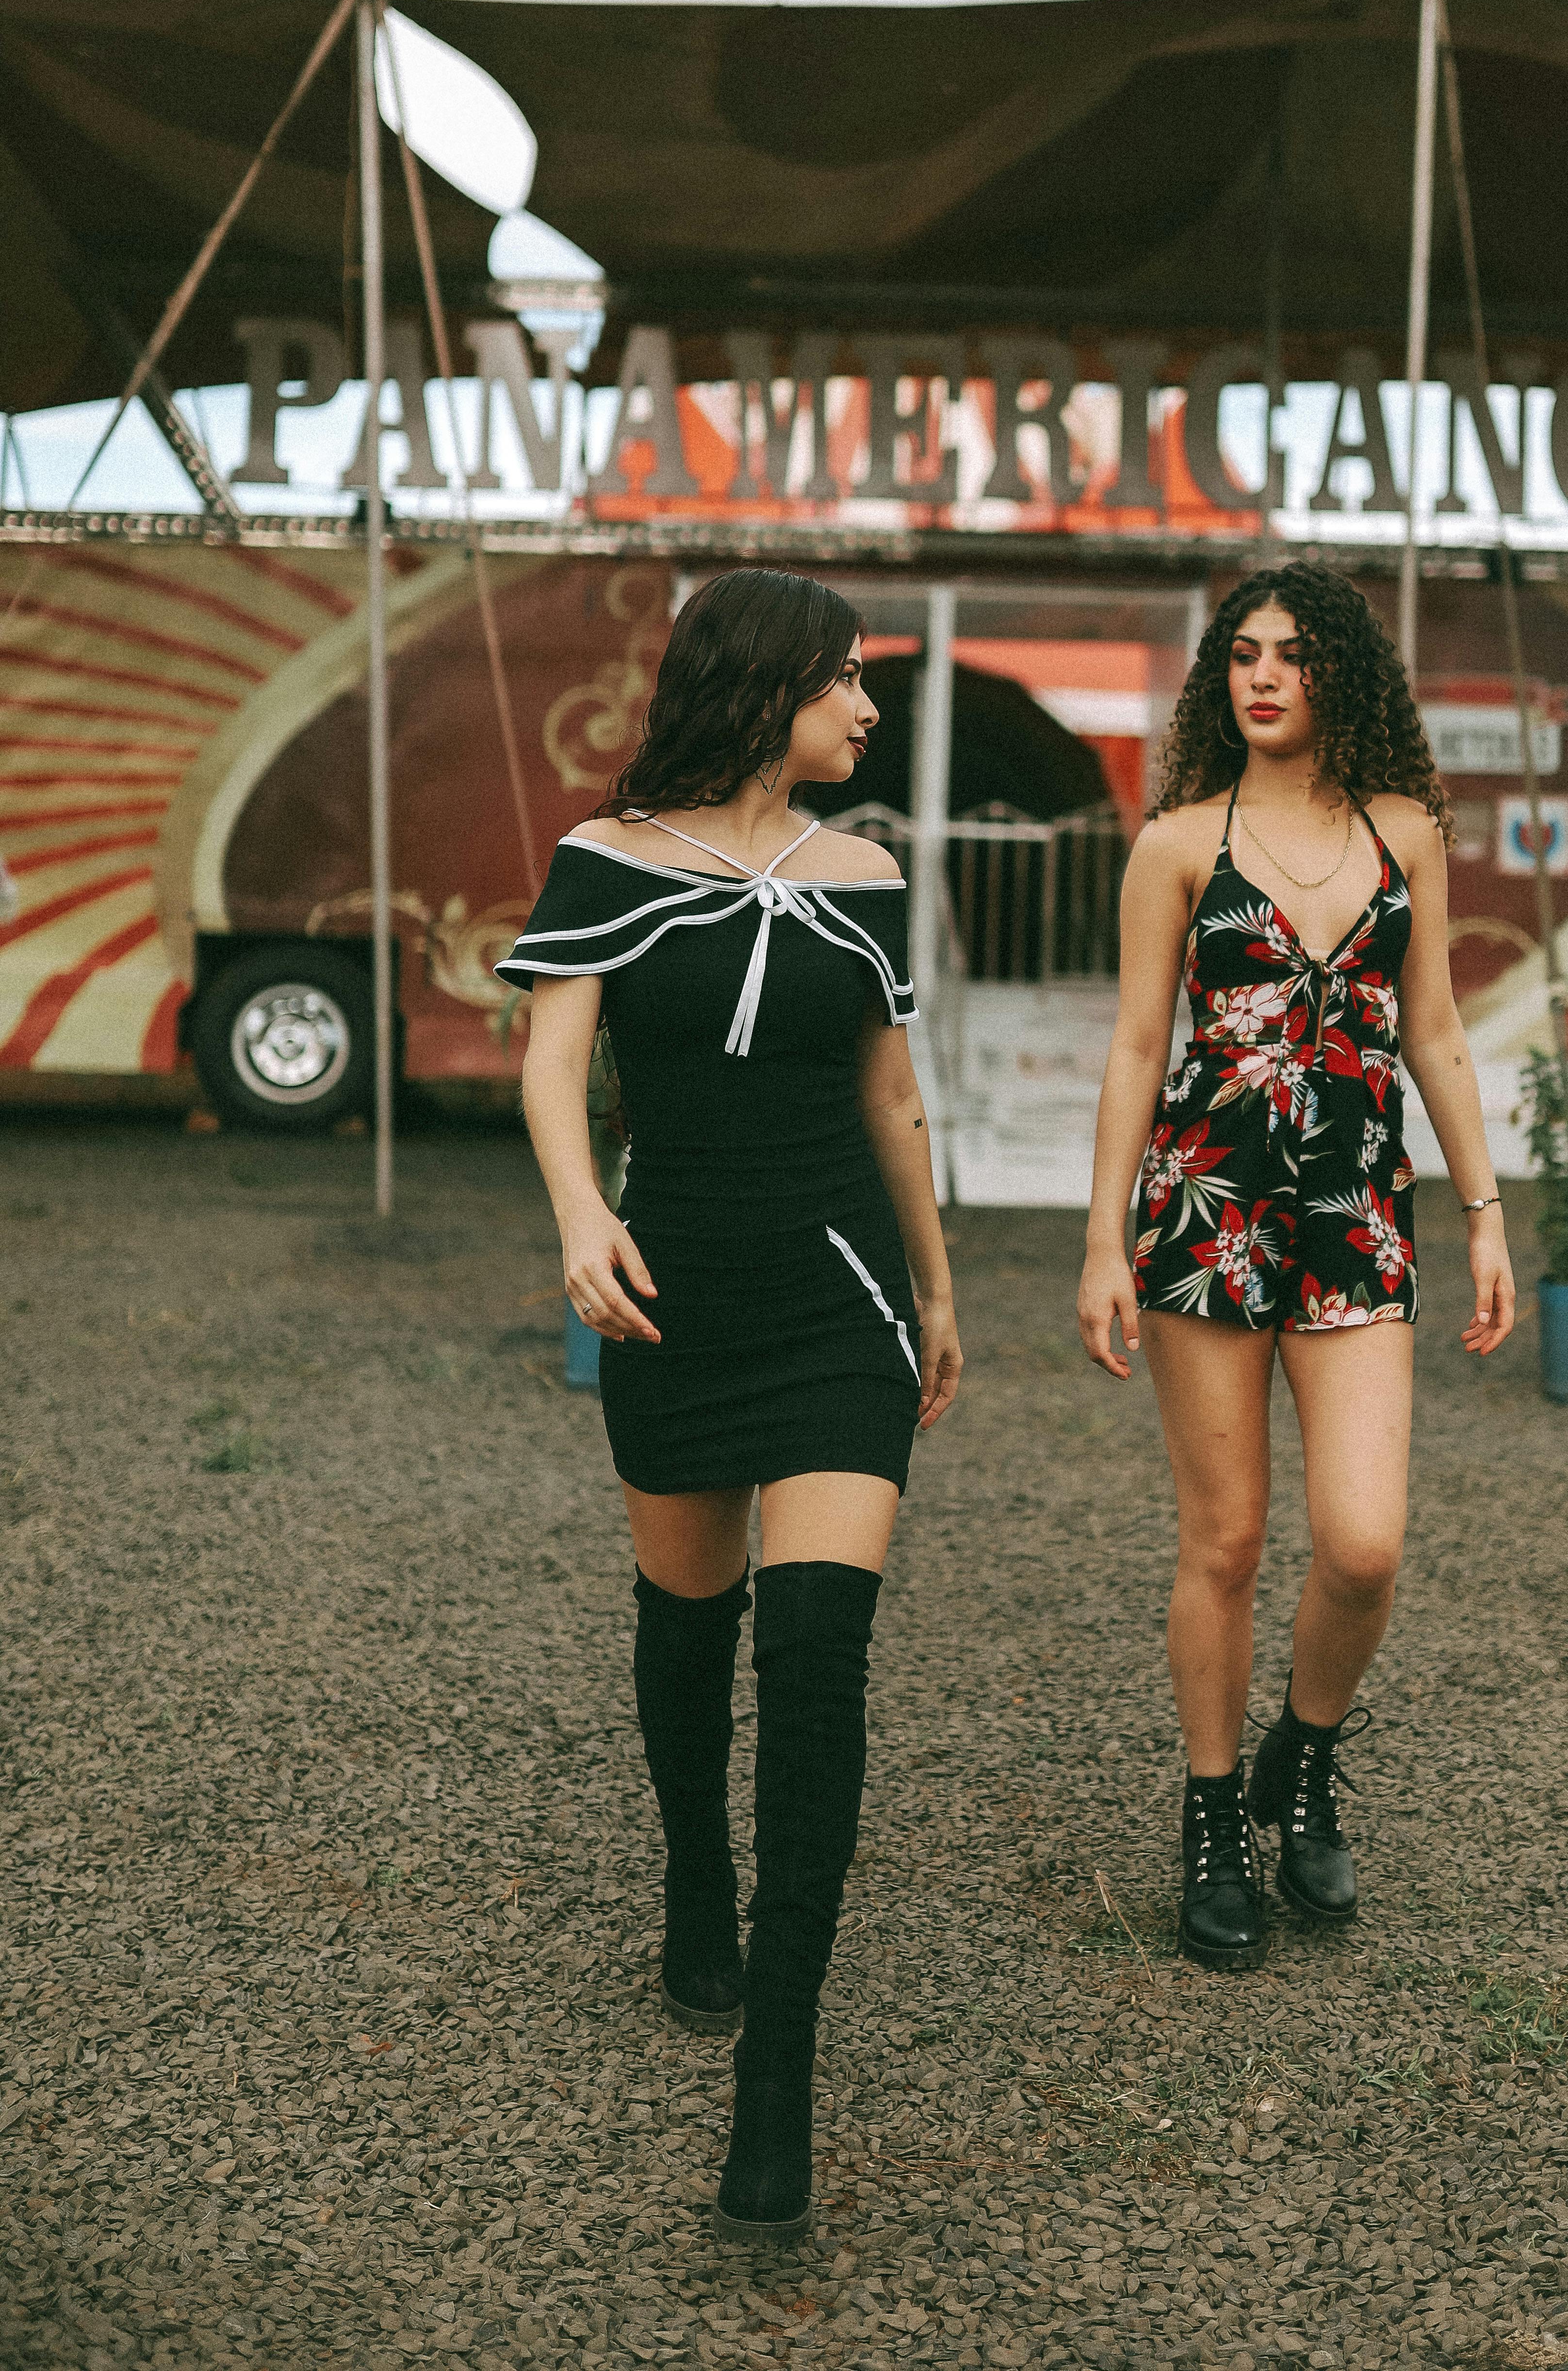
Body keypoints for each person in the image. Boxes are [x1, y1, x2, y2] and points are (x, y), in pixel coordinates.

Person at [502, 567, 963, 2244]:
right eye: (849, 679)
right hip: (673, 1287)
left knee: (820, 1657)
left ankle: (780, 2073)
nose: (871, 709)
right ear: (769, 687)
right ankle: (695, 1863)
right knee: (687, 1624)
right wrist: (576, 1215)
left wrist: (938, 1287)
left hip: (840, 1300)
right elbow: (557, 1063)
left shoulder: (869, 873)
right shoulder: (606, 860)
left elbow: (891, 1095)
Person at [1076, 560, 1515, 1971]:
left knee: (1365, 1544)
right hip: (1206, 1212)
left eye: (1293, 653)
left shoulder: (1409, 834)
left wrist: (1485, 1212)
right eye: (1242, 656)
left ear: (1343, 674)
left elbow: (1434, 1029)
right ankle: (1214, 1820)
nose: (1263, 675)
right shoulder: (1178, 844)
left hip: (1355, 1214)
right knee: (1228, 1538)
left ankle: (1304, 1753)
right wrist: (1102, 1239)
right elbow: (1140, 1047)